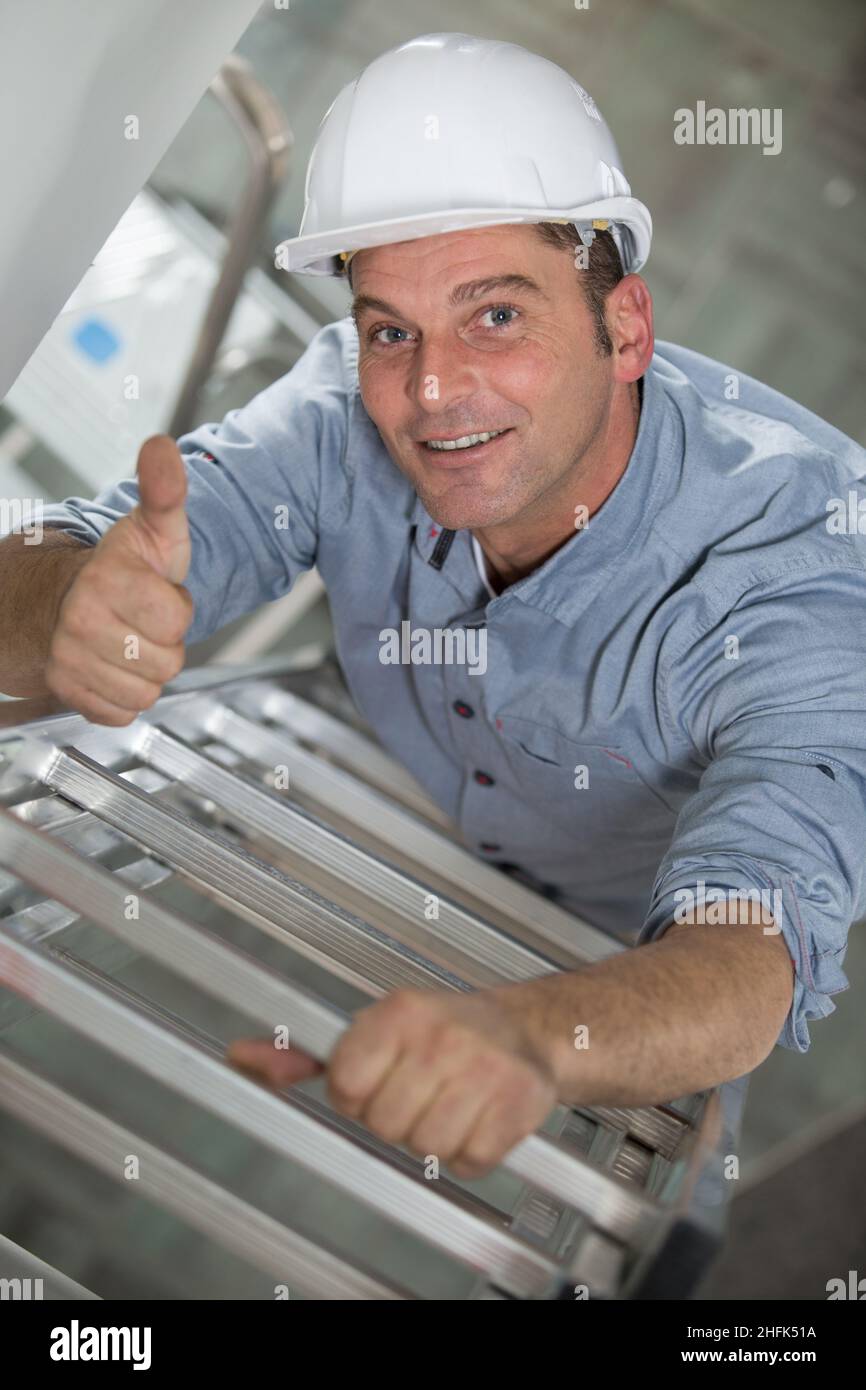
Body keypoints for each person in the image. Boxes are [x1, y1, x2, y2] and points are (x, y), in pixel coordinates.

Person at [1, 34, 862, 1184]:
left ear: (625, 328)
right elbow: (63, 559)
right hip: (417, 790)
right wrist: (64, 600)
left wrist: (530, 1036)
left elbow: (748, 948)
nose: (431, 390)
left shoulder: (807, 570)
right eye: (389, 329)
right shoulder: (335, 410)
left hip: (625, 929)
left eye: (494, 315)